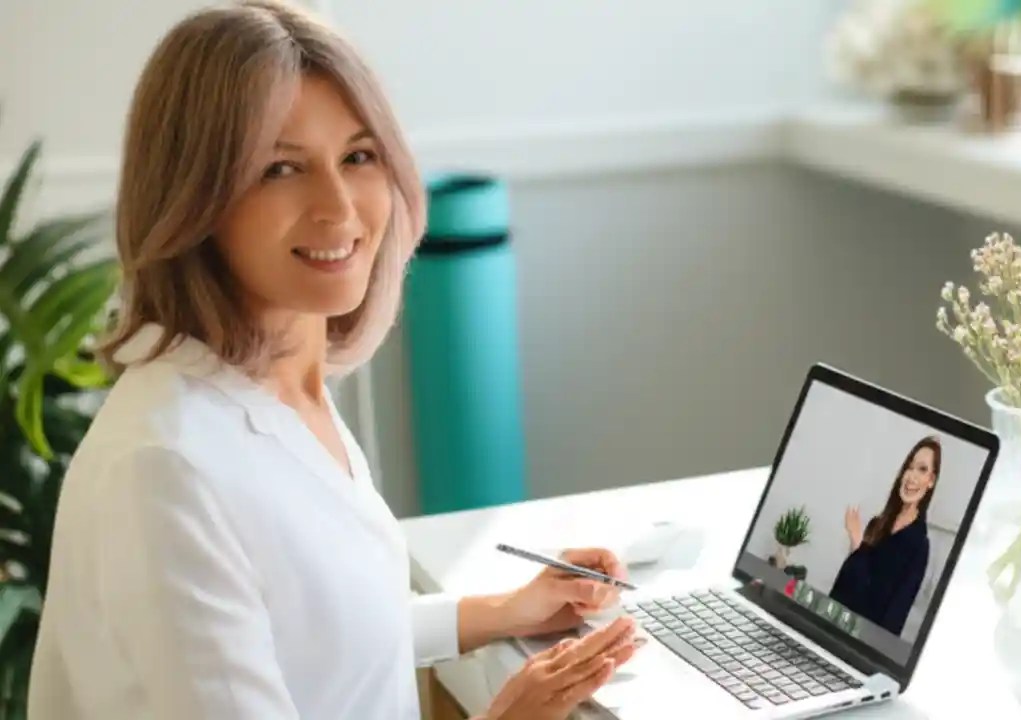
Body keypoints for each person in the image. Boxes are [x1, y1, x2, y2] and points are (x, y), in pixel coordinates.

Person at [27, 2, 636, 718]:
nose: (339, 208)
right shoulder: (168, 470)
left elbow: (314, 634)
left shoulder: (280, 390)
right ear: (195, 198)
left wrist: (505, 610)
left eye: (357, 156)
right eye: (280, 168)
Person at [828, 436, 941, 637]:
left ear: (931, 480)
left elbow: (892, 619)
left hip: (860, 647)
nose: (912, 477)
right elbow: (844, 586)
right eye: (910, 467)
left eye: (922, 469)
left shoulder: (919, 546)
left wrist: (857, 543)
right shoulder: (876, 523)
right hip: (832, 629)